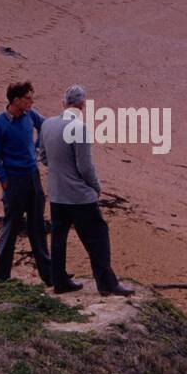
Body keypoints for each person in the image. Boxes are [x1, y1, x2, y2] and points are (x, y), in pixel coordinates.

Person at [38, 84, 135, 297]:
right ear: (82, 105)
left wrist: (59, 172)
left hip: (57, 193)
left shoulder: (47, 125)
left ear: (63, 103)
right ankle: (107, 283)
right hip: (79, 196)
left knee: (58, 237)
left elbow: (43, 156)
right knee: (98, 236)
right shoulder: (79, 128)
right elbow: (85, 167)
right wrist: (96, 187)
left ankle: (60, 281)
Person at [0, 81, 53, 284]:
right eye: (28, 98)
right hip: (13, 181)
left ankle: (49, 276)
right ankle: (1, 277)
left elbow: (46, 126)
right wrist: (4, 182)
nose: (32, 101)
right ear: (16, 100)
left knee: (37, 227)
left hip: (33, 177)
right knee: (11, 227)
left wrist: (38, 145)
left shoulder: (30, 115)